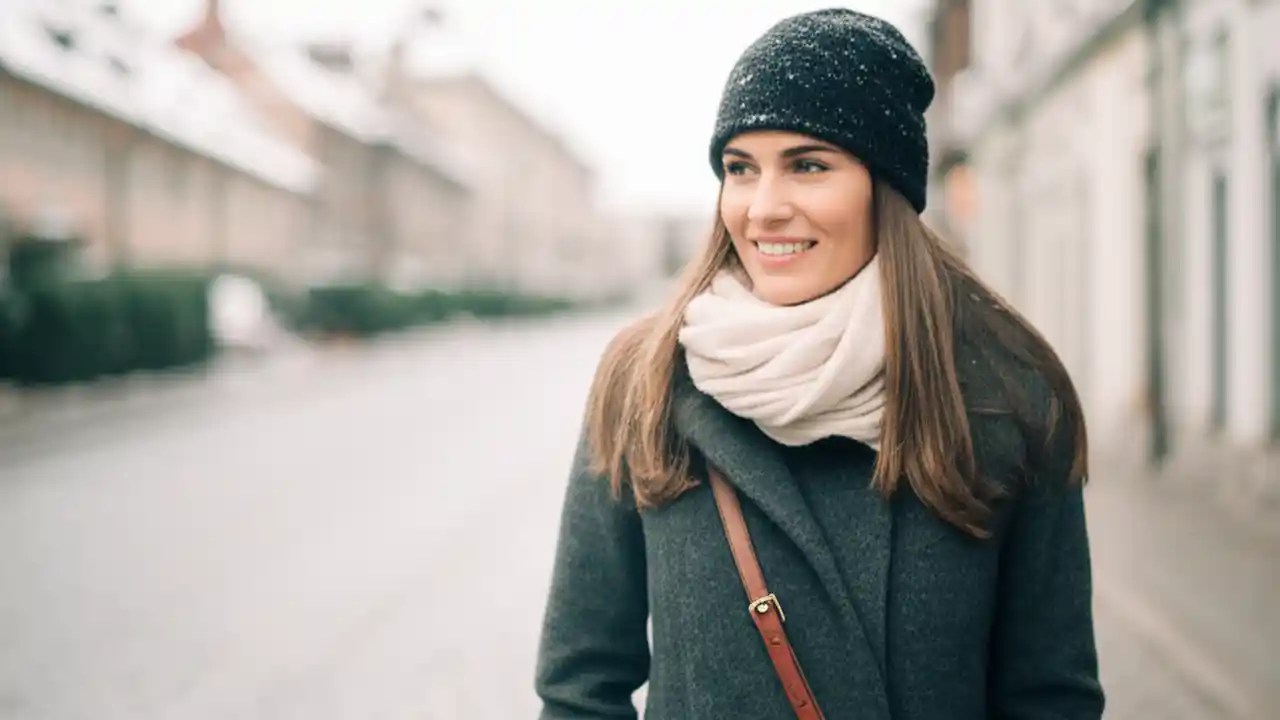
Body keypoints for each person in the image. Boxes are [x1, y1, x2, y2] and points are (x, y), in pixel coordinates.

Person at [534, 8, 1104, 720]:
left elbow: (1051, 699)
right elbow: (581, 688)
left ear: (884, 188)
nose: (763, 208)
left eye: (807, 165)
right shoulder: (645, 381)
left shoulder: (1007, 394)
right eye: (741, 169)